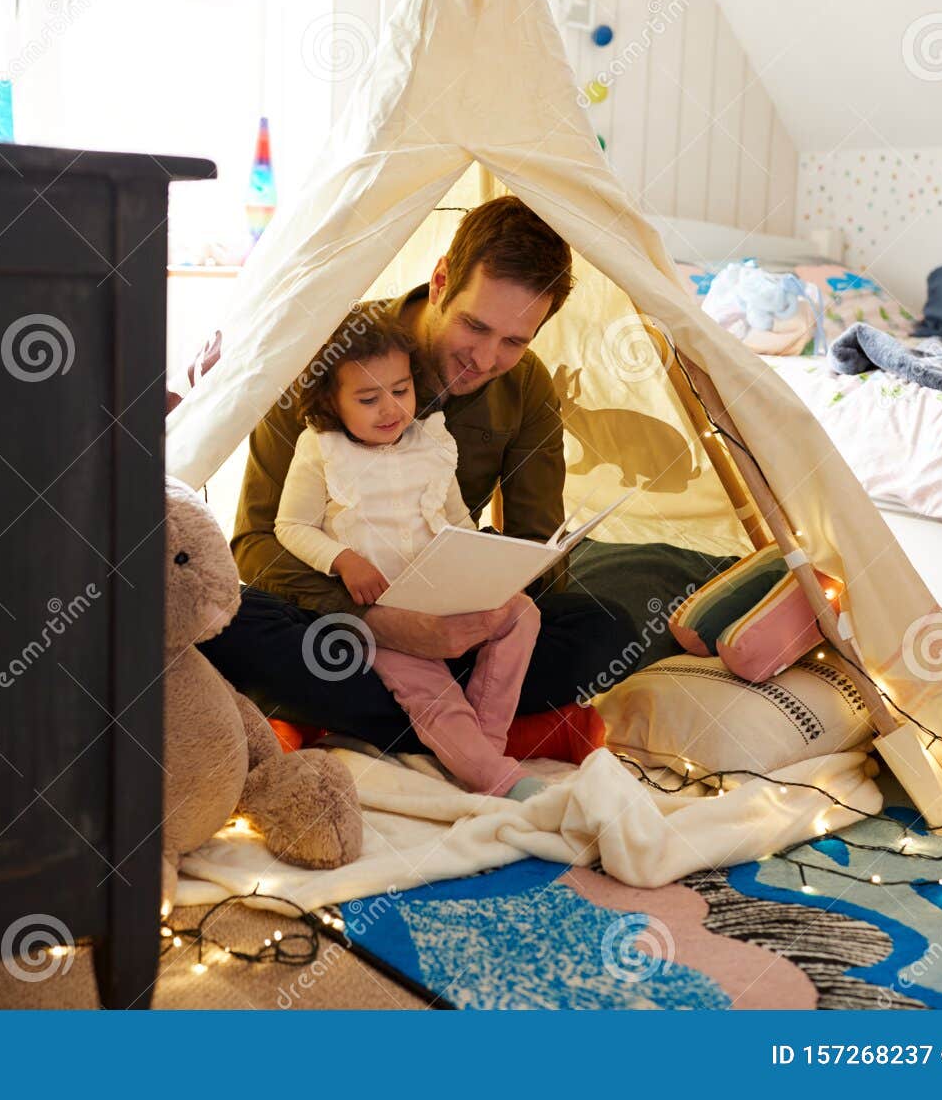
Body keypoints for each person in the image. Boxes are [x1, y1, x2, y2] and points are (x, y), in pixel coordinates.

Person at [195, 195, 632, 756]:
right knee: (225, 623)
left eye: (514, 341)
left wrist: (479, 612)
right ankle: (477, 727)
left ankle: (379, 720)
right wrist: (377, 620)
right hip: (341, 621)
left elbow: (536, 547)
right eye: (475, 326)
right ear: (442, 280)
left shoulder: (525, 386)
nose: (485, 358)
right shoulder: (330, 352)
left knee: (605, 625)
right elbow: (254, 545)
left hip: (454, 624)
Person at [274, 312, 548, 798]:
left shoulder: (432, 441)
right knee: (429, 694)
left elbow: (458, 520)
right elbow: (290, 526)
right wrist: (343, 560)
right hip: (389, 612)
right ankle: (496, 776)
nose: (390, 409)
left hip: (446, 593)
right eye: (368, 399)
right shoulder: (321, 449)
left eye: (401, 391)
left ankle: (484, 746)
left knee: (524, 614)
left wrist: (487, 569)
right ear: (332, 401)